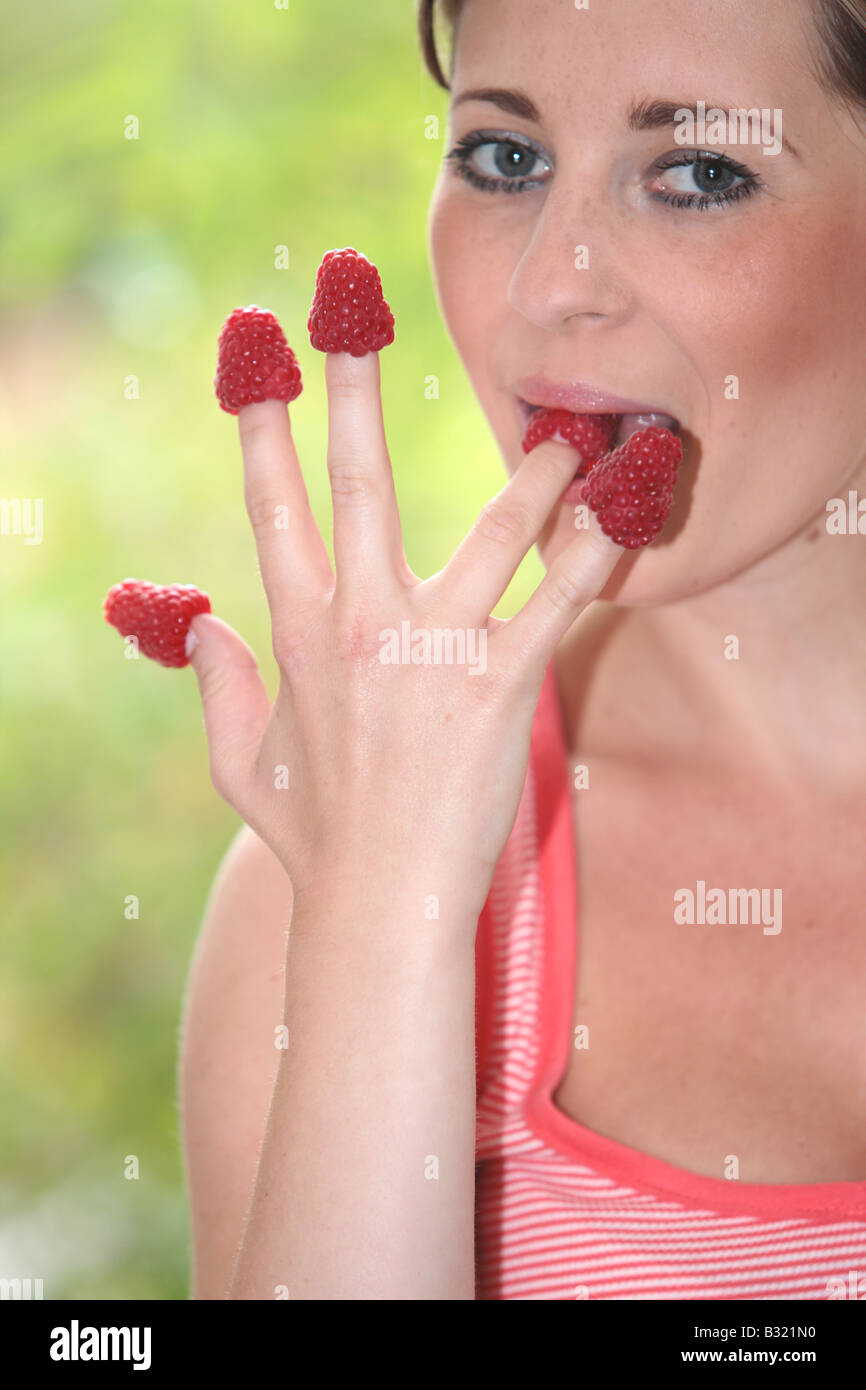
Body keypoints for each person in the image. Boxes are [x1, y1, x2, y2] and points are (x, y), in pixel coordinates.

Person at [178, 0, 866, 1300]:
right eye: (503, 159)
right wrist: (381, 910)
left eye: (699, 172)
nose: (549, 282)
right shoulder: (327, 866)